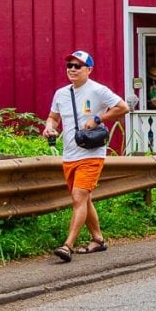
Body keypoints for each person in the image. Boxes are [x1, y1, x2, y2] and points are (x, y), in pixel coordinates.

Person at [42, 50, 130, 262]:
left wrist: (98, 119)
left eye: (77, 66)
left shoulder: (98, 90)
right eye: (69, 65)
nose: (72, 69)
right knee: (84, 198)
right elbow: (52, 118)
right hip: (70, 154)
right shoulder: (61, 94)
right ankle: (98, 240)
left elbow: (123, 107)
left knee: (78, 197)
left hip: (92, 153)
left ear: (88, 70)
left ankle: (67, 245)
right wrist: (49, 128)